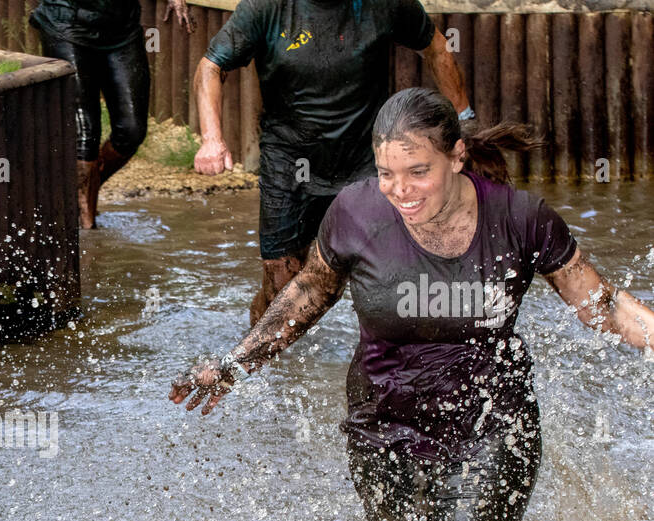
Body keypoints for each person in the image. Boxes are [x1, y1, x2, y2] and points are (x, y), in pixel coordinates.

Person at [169, 88, 654, 521]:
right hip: (383, 426)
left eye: (418, 171)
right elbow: (305, 297)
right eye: (387, 174)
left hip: (492, 422)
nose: (401, 190)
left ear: (456, 157)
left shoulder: (521, 218)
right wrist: (233, 364)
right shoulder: (354, 214)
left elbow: (602, 305)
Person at [192, 0, 472, 326]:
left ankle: (385, 364)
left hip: (365, 160)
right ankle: (253, 366)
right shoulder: (264, 7)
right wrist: (212, 138)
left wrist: (463, 122)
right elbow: (211, 66)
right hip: (290, 164)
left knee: (394, 278)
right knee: (283, 292)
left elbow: (436, 47)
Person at [30, 0, 194, 229]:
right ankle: (86, 232)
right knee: (84, 135)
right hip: (66, 22)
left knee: (132, 130)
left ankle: (80, 192)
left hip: (121, 28)